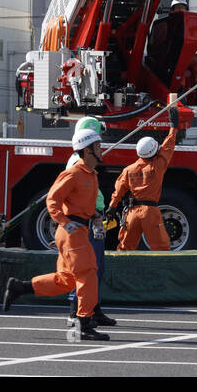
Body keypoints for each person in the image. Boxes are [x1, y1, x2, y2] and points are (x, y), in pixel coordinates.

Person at [2, 128, 109, 341]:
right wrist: (64, 221)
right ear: (87, 151)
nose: (101, 148)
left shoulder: (90, 174)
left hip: (77, 231)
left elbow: (79, 204)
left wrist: (95, 215)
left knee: (66, 280)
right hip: (72, 233)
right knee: (87, 274)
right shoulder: (74, 173)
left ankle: (20, 287)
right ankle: (83, 324)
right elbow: (52, 199)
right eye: (97, 146)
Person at [110, 102, 182, 251]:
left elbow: (118, 191)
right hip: (150, 212)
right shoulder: (159, 165)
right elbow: (169, 145)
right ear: (155, 150)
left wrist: (112, 207)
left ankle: (120, 273)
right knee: (161, 248)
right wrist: (174, 126)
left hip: (132, 213)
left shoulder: (129, 170)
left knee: (125, 248)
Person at [66, 117, 116, 327]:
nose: (101, 143)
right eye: (97, 140)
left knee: (96, 268)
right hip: (85, 222)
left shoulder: (86, 163)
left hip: (93, 220)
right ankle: (75, 314)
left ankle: (94, 309)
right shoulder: (77, 165)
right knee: (84, 270)